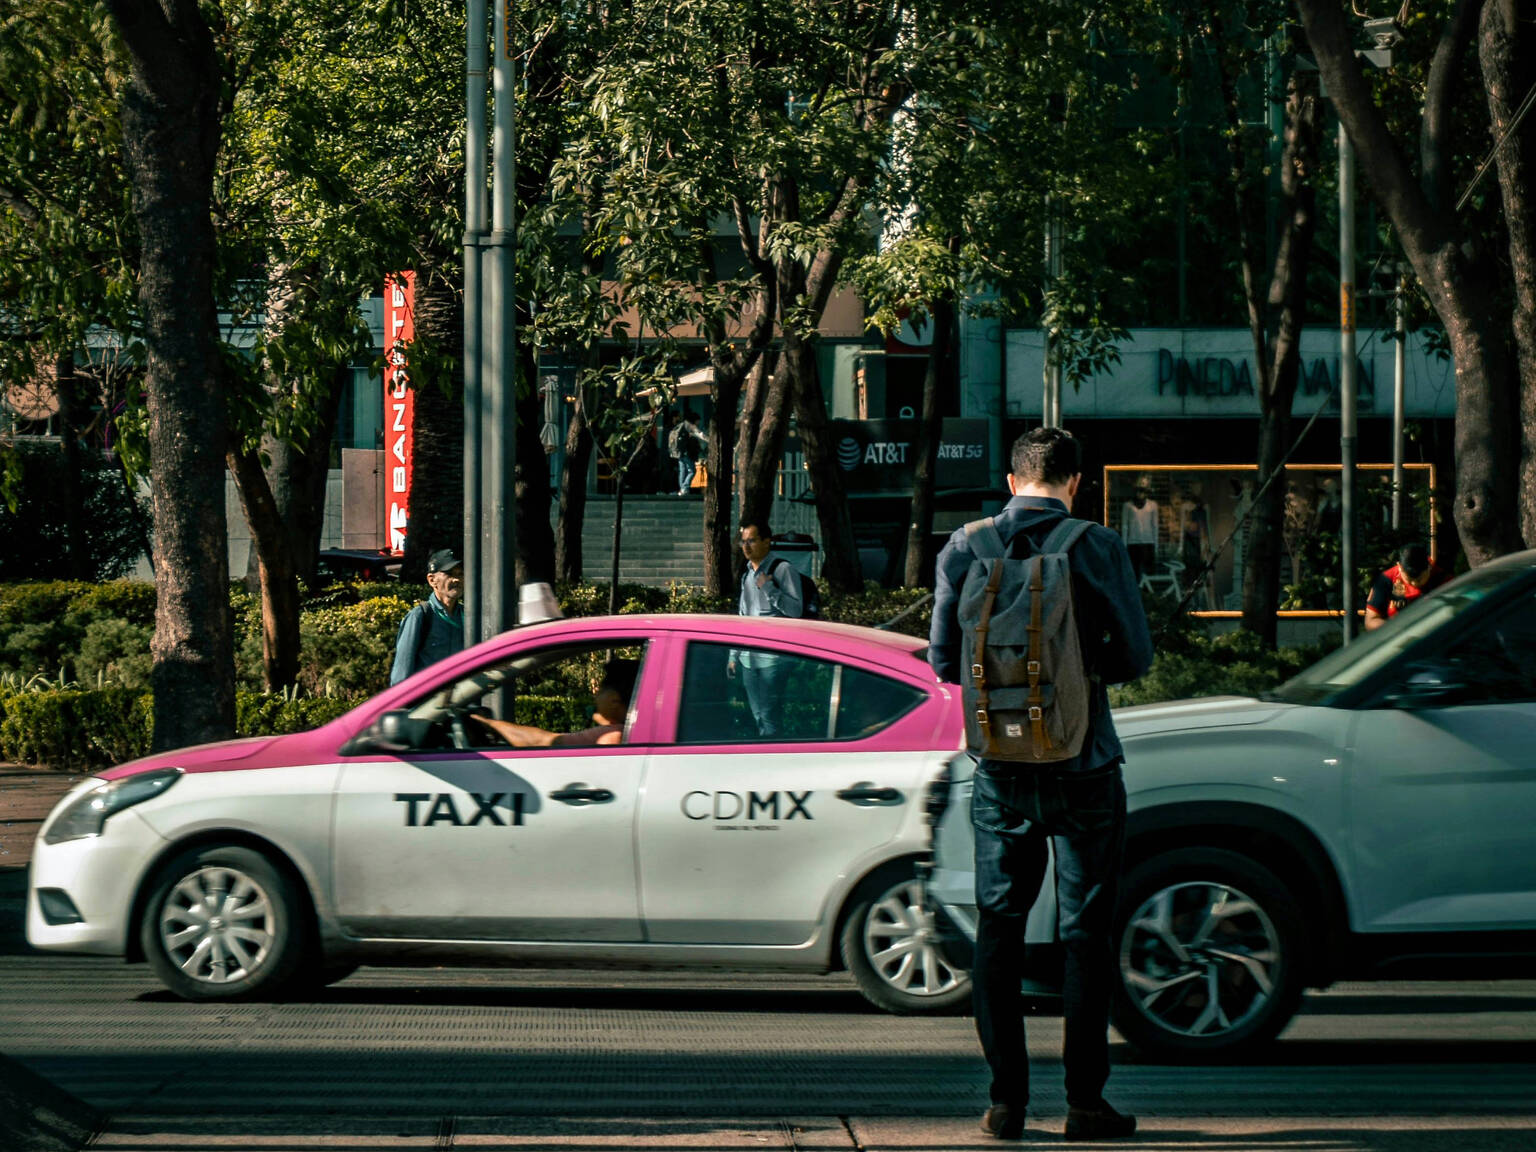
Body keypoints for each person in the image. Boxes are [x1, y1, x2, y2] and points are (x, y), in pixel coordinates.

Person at [929, 427, 1153, 1143]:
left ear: (1010, 480)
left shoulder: (965, 548)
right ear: (1075, 482)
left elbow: (942, 662)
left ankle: (1006, 1103)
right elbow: (1134, 658)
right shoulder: (1095, 545)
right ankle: (1085, 1103)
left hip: (1000, 769)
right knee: (1086, 934)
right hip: (1085, 764)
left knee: (999, 926)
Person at [729, 518, 804, 737]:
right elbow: (743, 617)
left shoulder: (783, 570)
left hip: (774, 659)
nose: (746, 546)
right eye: (743, 541)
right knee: (758, 715)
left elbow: (795, 611)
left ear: (767, 542)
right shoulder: (747, 574)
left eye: (751, 540)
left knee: (769, 715)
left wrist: (769, 588)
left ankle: (773, 756)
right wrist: (734, 656)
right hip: (749, 660)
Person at [472, 659, 639, 747]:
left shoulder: (611, 737)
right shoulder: (628, 730)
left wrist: (491, 724)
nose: (595, 694)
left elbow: (545, 742)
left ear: (614, 700)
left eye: (601, 689)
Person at [389, 549, 465, 685]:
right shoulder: (420, 616)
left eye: (460, 574)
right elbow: (401, 675)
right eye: (450, 574)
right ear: (432, 580)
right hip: (427, 703)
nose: (456, 579)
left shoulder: (467, 616)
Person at [1364, 542, 1450, 631]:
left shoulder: (1442, 578)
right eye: (1409, 579)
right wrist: (1399, 628)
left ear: (1429, 567)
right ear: (1400, 567)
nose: (1414, 583)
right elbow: (1370, 621)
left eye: (1419, 579)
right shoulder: (1386, 580)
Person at [1118, 477, 1159, 583]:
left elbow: (1155, 526)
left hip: (1148, 543)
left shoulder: (1152, 505)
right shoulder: (1127, 506)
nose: (1140, 493)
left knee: (1148, 575)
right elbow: (1125, 526)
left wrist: (1156, 545)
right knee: (1134, 573)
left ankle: (1148, 596)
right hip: (1133, 543)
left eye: (1143, 490)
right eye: (1139, 490)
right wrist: (1124, 545)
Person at [668, 406, 708, 496]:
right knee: (692, 471)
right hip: (686, 453)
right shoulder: (689, 425)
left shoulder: (681, 425)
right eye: (698, 421)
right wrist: (710, 440)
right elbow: (700, 434)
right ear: (695, 420)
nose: (699, 423)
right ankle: (685, 488)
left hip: (679, 452)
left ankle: (682, 490)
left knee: (682, 470)